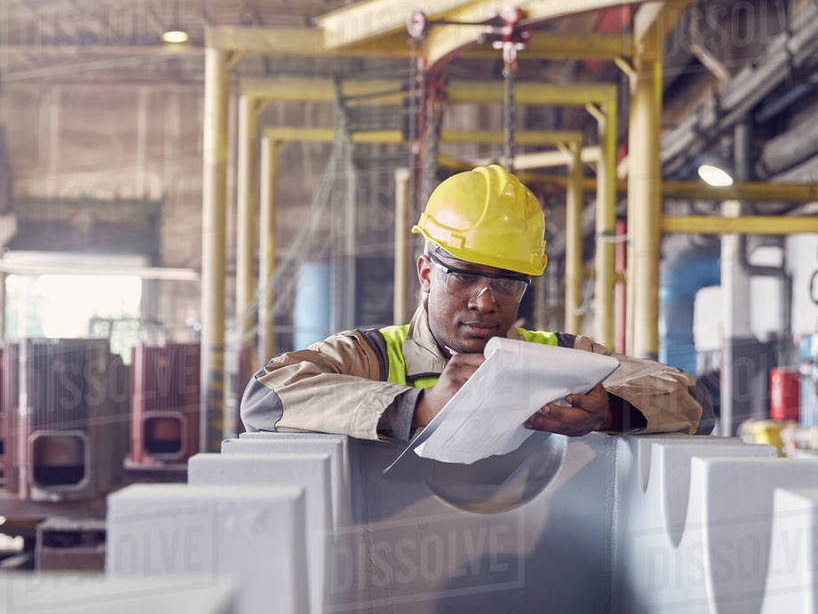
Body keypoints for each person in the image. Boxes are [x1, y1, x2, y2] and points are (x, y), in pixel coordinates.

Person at [241, 165, 713, 442]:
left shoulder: (562, 358)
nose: (486, 302)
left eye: (507, 283)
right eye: (464, 276)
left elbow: (694, 402)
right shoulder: (372, 357)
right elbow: (265, 400)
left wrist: (611, 410)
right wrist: (418, 407)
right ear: (427, 274)